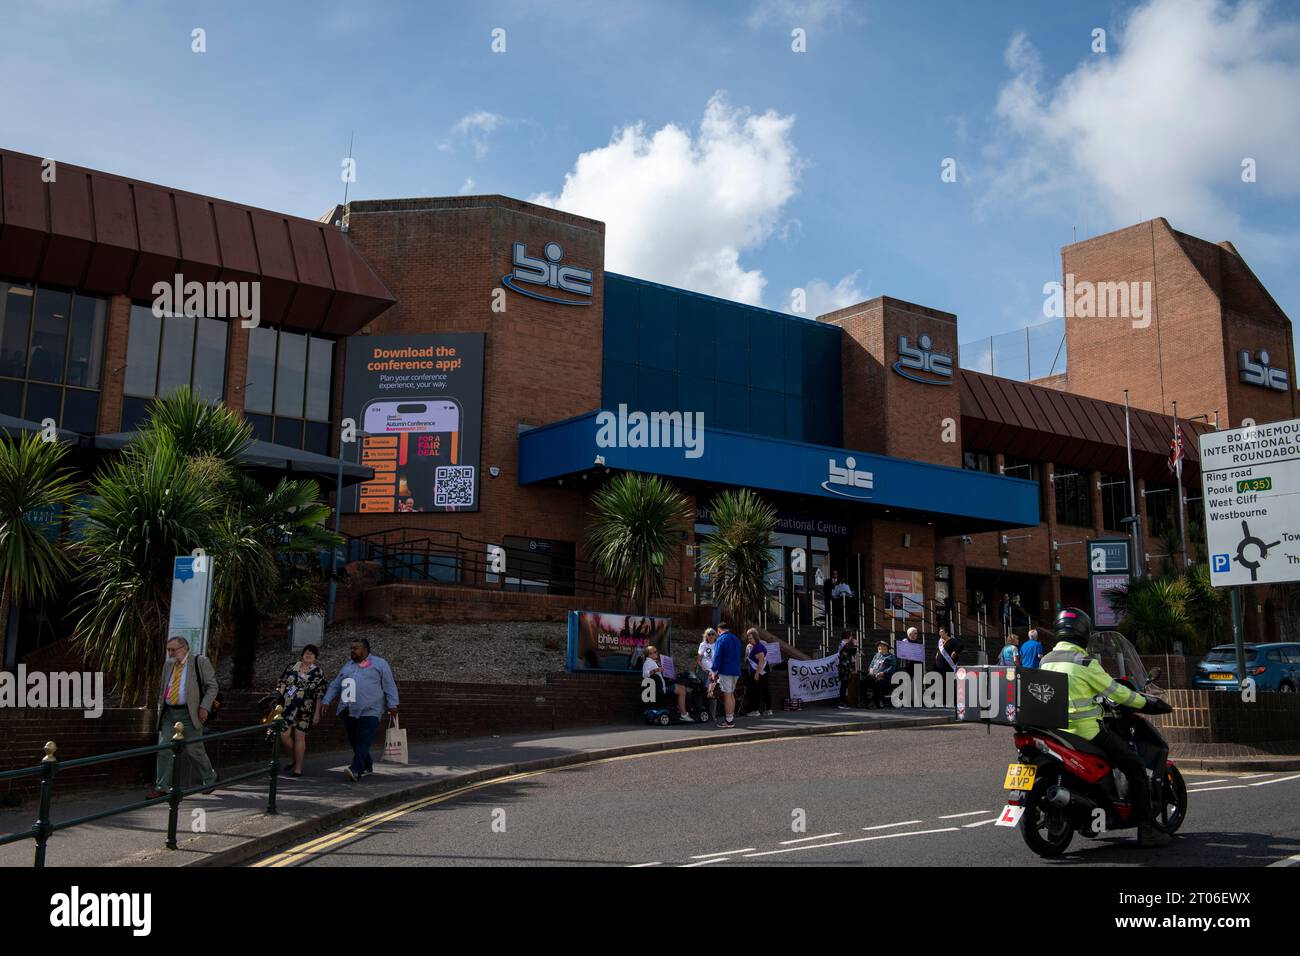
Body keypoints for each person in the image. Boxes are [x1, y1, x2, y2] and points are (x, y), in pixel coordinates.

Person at [1040, 608, 1172, 848]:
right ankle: (1147, 829)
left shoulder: (1045, 660)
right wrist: (1147, 703)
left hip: (1055, 732)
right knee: (1134, 765)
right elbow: (1117, 692)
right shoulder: (1084, 662)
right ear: (1083, 633)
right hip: (1086, 732)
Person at [149, 636, 219, 798]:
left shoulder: (199, 662)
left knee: (194, 750)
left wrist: (204, 707)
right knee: (164, 748)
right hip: (169, 713)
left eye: (173, 650)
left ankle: (209, 779)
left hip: (190, 713)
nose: (171, 653)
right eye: (169, 650)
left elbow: (212, 686)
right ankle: (162, 786)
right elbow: (164, 688)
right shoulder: (168, 665)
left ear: (185, 648)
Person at [321, 638, 400, 782]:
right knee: (355, 740)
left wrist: (393, 704)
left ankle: (356, 769)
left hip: (370, 710)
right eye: (351, 648)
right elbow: (335, 685)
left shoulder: (379, 664)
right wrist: (326, 701)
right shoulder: (348, 666)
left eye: (356, 648)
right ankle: (367, 765)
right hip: (348, 710)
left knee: (364, 738)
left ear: (365, 649)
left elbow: (389, 685)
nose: (352, 651)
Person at [272, 644, 327, 777]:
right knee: (283, 735)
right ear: (302, 654)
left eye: (312, 654)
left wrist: (316, 713)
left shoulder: (318, 672)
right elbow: (281, 684)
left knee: (299, 737)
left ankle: (298, 768)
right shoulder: (292, 667)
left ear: (315, 657)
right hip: (287, 707)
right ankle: (294, 757)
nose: (308, 655)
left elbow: (319, 695)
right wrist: (278, 699)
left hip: (305, 709)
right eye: (306, 653)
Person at [643, 644, 693, 722]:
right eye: (655, 652)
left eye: (656, 651)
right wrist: (656, 670)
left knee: (681, 687)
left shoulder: (654, 662)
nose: (657, 653)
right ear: (649, 654)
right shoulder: (648, 663)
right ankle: (683, 714)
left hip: (662, 685)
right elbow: (645, 674)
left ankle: (680, 710)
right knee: (682, 689)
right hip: (660, 688)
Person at [710, 622, 743, 729]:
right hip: (736, 670)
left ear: (719, 630)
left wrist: (714, 670)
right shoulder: (736, 639)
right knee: (731, 694)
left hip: (726, 670)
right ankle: (731, 718)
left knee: (727, 695)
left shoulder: (721, 639)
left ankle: (729, 721)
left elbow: (717, 656)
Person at [744, 629, 773, 716]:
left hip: (760, 671)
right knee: (757, 690)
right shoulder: (751, 646)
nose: (749, 640)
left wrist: (757, 673)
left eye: (751, 638)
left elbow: (761, 661)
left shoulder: (759, 647)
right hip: (757, 670)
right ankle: (764, 709)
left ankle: (758, 710)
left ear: (755, 638)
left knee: (759, 690)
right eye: (748, 638)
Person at [865, 639, 897, 708]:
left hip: (885, 677)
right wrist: (871, 670)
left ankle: (875, 702)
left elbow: (892, 668)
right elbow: (871, 665)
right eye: (878, 646)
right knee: (865, 680)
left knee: (878, 682)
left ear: (886, 647)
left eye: (881, 646)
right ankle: (865, 701)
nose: (878, 647)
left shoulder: (891, 657)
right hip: (874, 675)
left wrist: (883, 673)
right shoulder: (876, 655)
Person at [697, 627, 718, 720]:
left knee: (712, 693)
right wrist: (703, 668)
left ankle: (713, 715)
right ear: (706, 635)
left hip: (714, 673)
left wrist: (714, 671)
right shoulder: (703, 645)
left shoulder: (718, 645)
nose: (711, 636)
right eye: (709, 634)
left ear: (715, 635)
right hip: (704, 672)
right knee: (703, 692)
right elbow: (698, 660)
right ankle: (702, 714)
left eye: (712, 634)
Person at [836, 630, 857, 709]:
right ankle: (842, 703)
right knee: (844, 685)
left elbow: (852, 653)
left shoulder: (844, 644)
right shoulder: (844, 644)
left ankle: (844, 702)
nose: (852, 637)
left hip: (844, 667)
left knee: (845, 685)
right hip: (844, 668)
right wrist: (854, 645)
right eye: (851, 635)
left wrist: (854, 646)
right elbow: (850, 653)